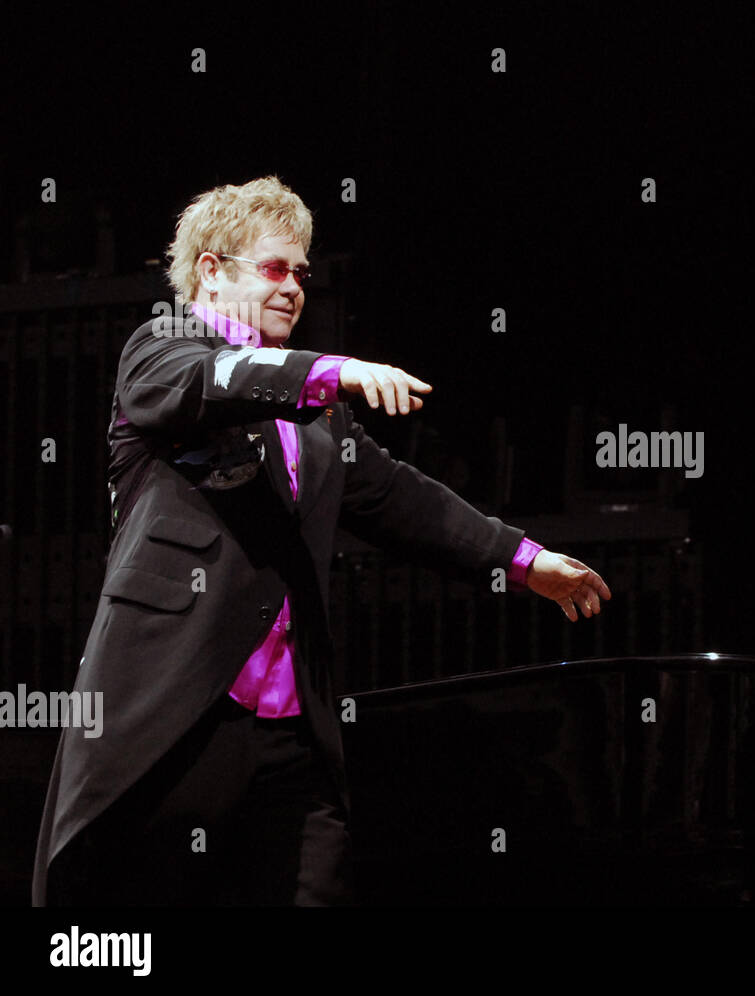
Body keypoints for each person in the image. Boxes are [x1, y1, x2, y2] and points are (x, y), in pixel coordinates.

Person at [33, 176, 610, 905]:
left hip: (289, 734)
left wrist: (526, 562)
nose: (294, 286)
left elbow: (404, 499)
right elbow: (219, 378)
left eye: (302, 272)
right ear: (212, 270)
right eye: (276, 268)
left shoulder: (316, 418)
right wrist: (332, 370)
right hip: (182, 716)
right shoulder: (163, 350)